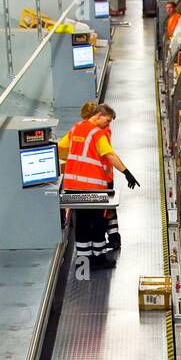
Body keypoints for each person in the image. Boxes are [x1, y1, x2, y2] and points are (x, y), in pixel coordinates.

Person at [58, 102, 139, 269]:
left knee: (82, 223)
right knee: (98, 223)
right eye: (107, 121)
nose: (108, 125)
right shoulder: (97, 134)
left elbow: (60, 148)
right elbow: (109, 155)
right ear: (99, 115)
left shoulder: (76, 128)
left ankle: (84, 262)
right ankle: (99, 259)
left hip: (73, 186)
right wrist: (127, 172)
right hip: (93, 187)